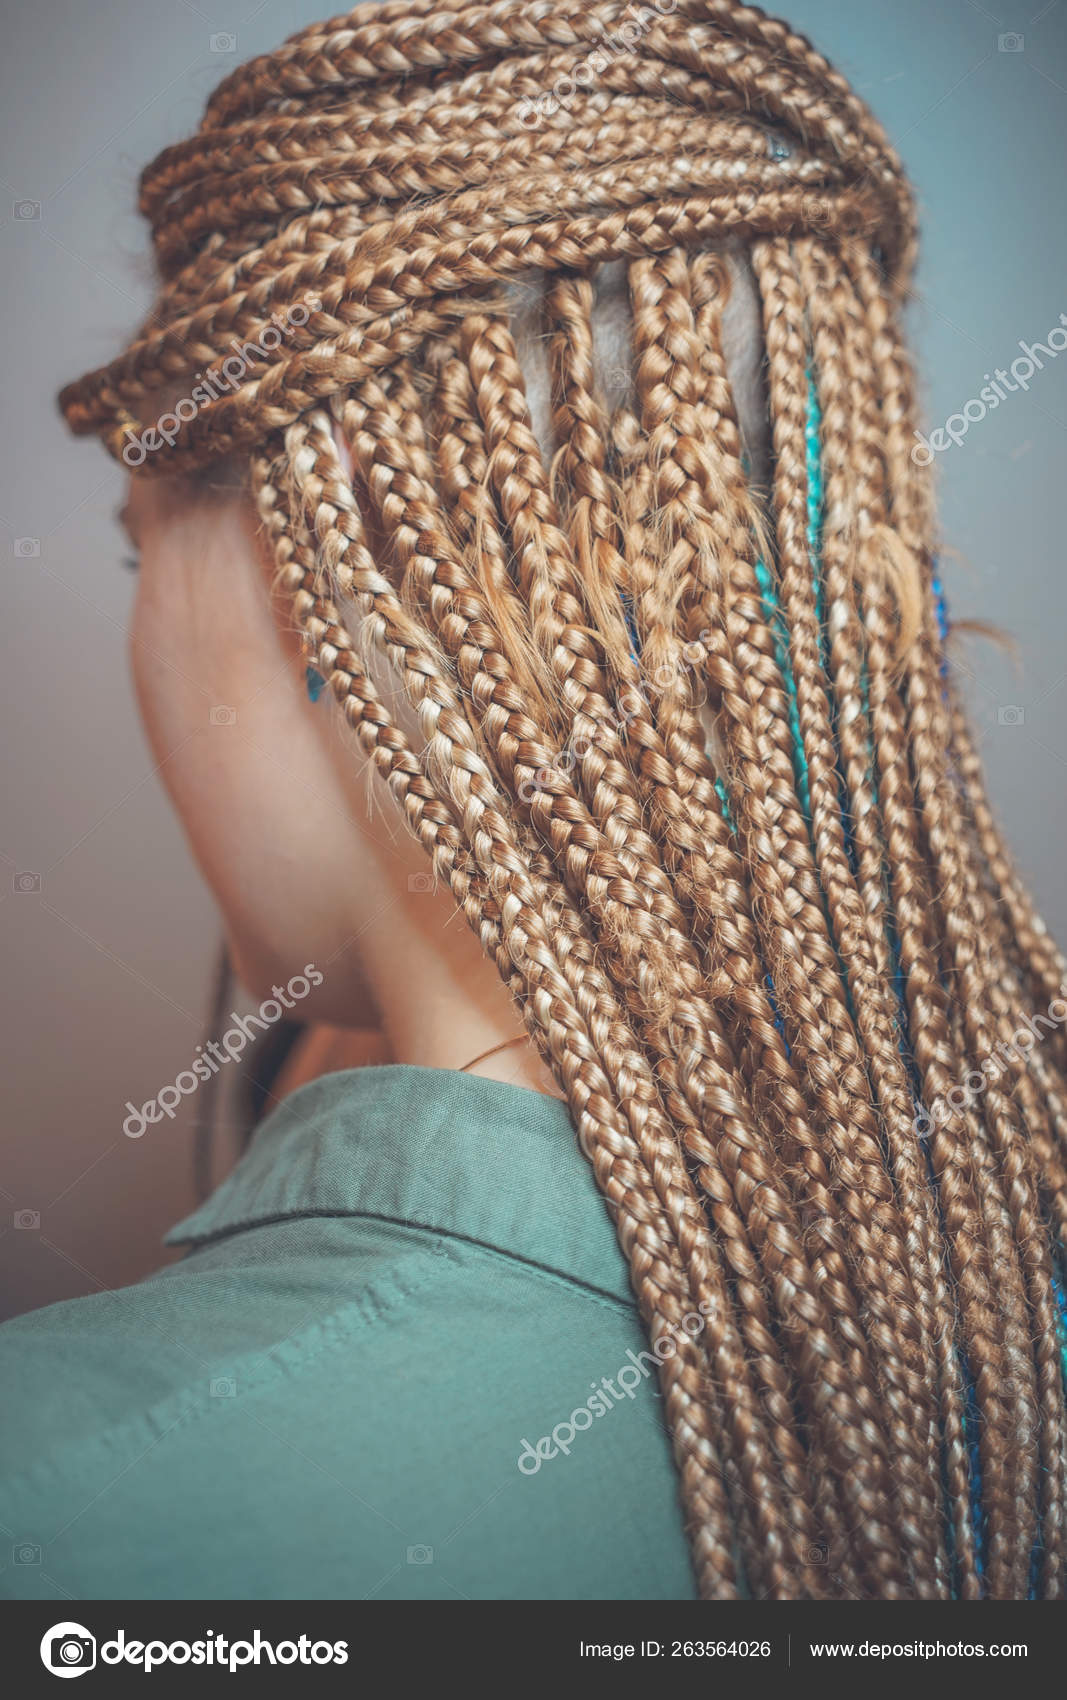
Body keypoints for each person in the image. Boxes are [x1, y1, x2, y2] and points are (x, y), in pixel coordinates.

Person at [2, 0, 1066, 1601]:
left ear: (328, 560)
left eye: (139, 543)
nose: (141, 617)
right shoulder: (995, 1266)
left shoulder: (64, 1501)